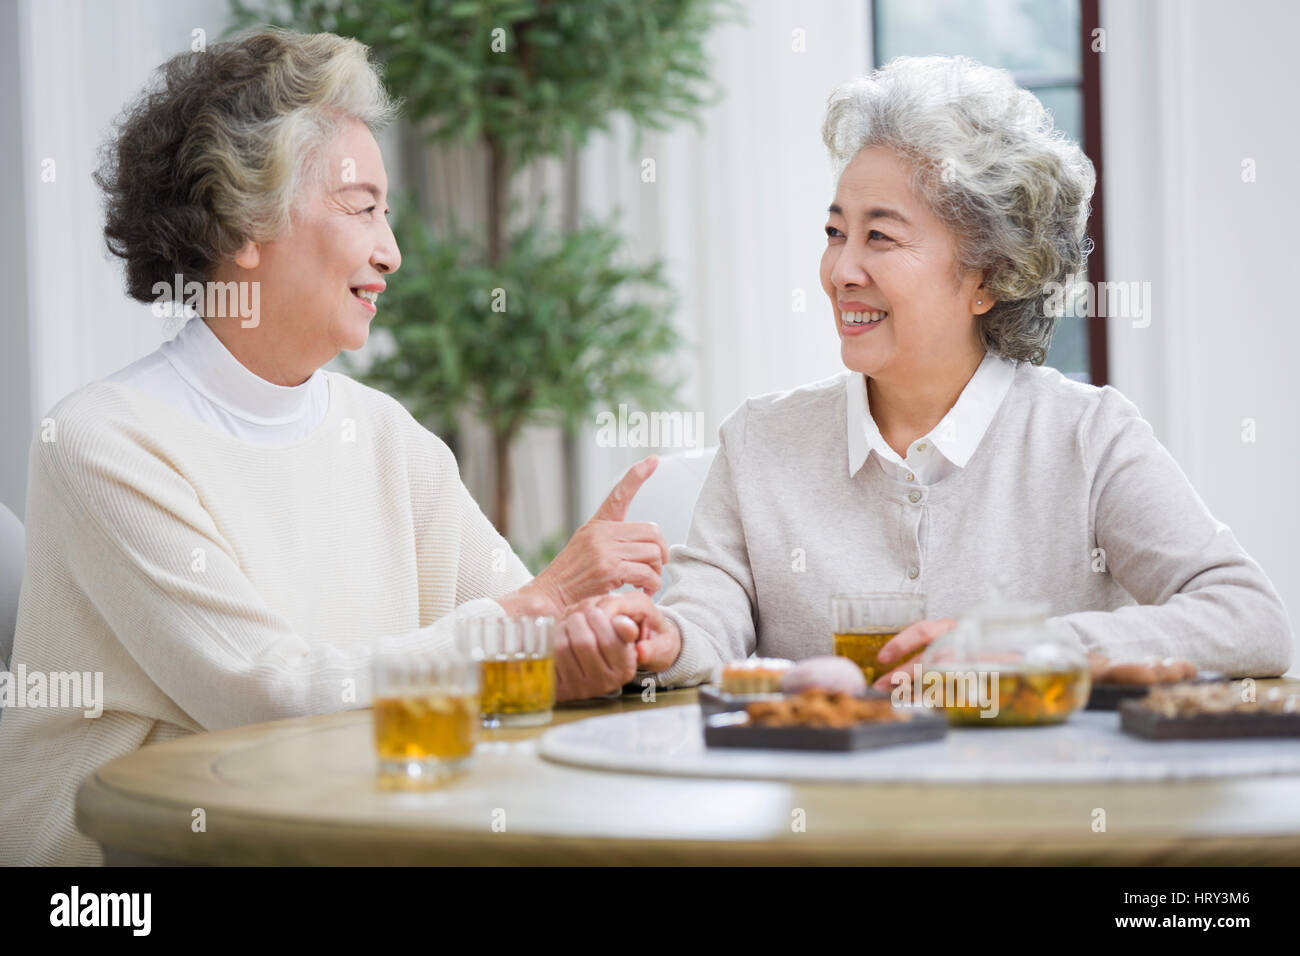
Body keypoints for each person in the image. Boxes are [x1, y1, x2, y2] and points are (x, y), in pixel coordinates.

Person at [0, 28, 666, 866]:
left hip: (334, 837)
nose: (391, 251)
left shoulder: (387, 437)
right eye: (362, 209)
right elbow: (273, 702)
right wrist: (538, 612)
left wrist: (605, 636)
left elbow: (512, 636)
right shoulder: (104, 444)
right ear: (244, 221)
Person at [563, 55, 1294, 694]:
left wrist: (1037, 649)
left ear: (989, 275)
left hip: (1041, 825)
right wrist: (663, 639)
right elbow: (707, 615)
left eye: (880, 236)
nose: (841, 270)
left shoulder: (1087, 438)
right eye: (834, 232)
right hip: (829, 837)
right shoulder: (761, 443)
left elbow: (1248, 617)